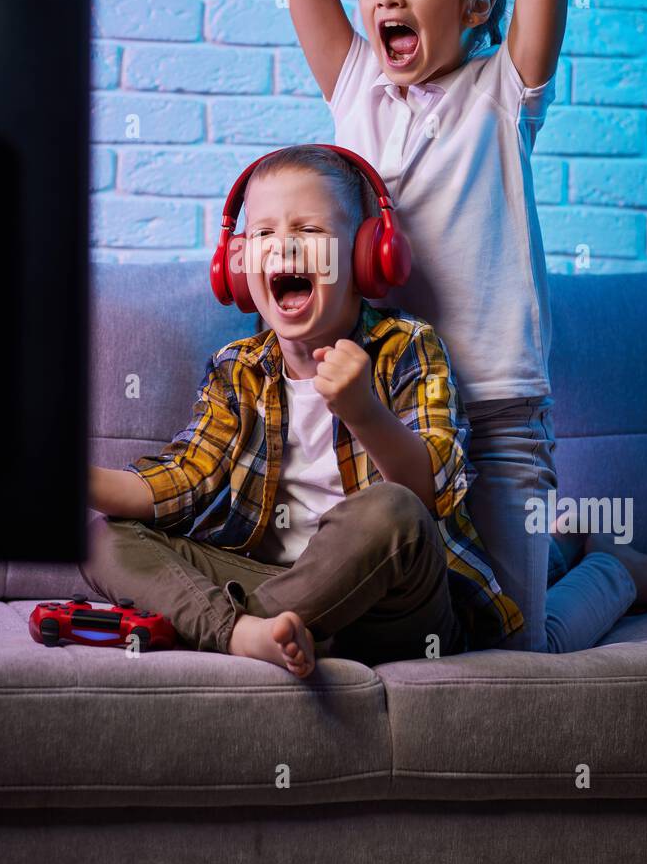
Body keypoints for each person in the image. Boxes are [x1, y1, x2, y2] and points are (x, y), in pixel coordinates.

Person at [199, 0, 647, 650]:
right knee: (428, 617)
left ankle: (611, 570)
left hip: (493, 411)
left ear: (476, 8)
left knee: (516, 647)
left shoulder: (503, 93)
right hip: (380, 405)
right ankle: (560, 555)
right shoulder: (355, 87)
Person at [84, 146, 525, 678]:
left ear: (367, 255)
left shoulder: (407, 346)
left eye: (310, 231)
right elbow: (182, 479)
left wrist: (364, 411)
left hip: (392, 610)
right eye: (264, 233)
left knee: (392, 512)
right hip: (269, 580)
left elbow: (428, 495)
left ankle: (224, 627)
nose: (283, 246)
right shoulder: (237, 368)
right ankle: (250, 634)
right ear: (238, 264)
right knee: (100, 537)